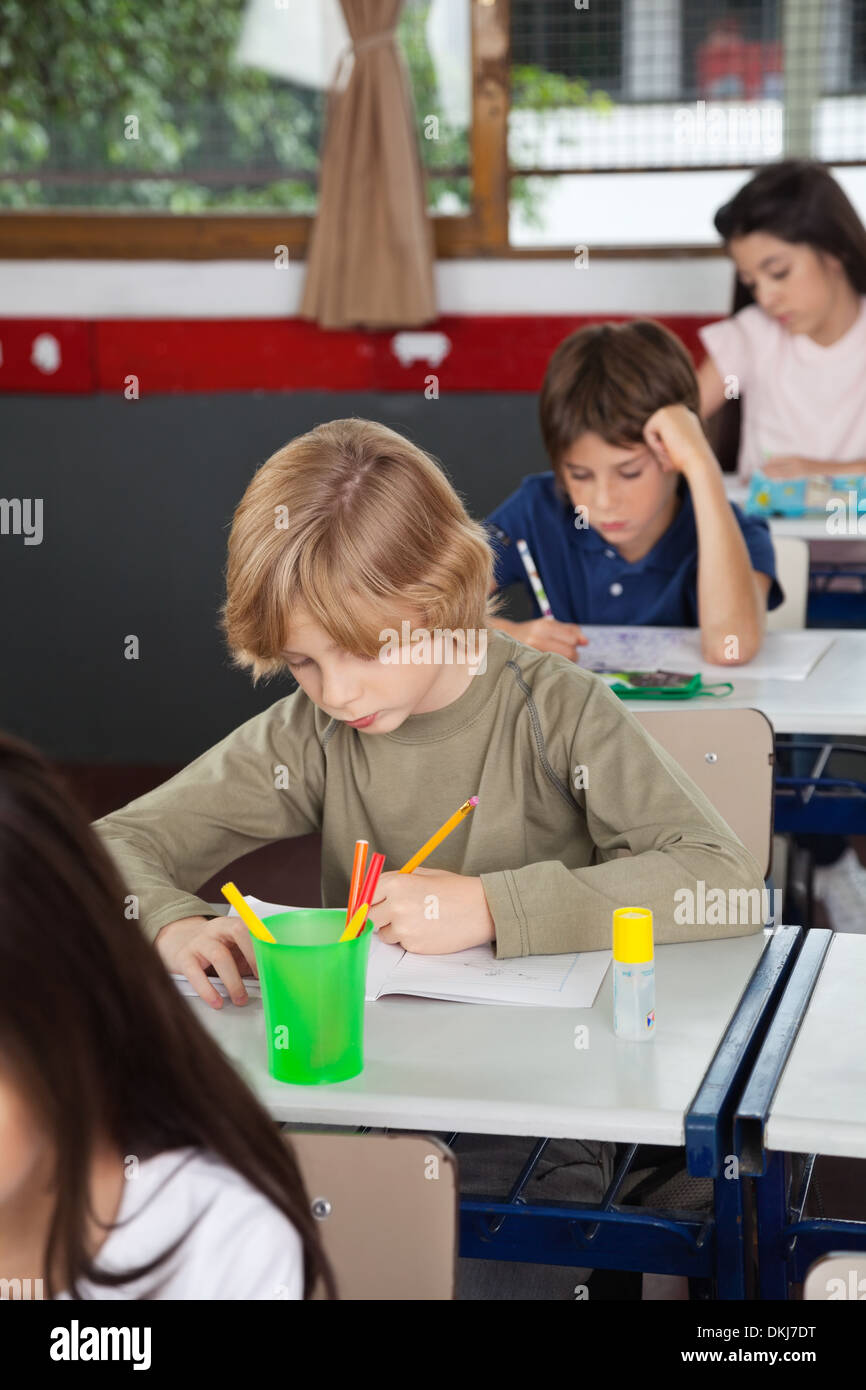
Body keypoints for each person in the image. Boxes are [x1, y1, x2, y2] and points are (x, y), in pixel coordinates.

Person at [0, 732, 334, 1300]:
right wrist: (173, 919)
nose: (341, 694)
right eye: (305, 663)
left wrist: (497, 904)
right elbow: (121, 838)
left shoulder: (216, 1246)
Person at [483, 320, 783, 662]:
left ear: (674, 452)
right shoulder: (535, 510)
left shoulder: (734, 532)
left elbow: (732, 648)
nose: (604, 501)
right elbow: (419, 615)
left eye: (630, 473)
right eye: (579, 474)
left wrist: (701, 466)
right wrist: (510, 636)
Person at [698, 159, 866, 482]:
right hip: (766, 532)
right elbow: (675, 420)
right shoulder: (752, 334)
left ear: (834, 250)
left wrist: (819, 473)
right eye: (751, 282)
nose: (766, 298)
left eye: (779, 272)